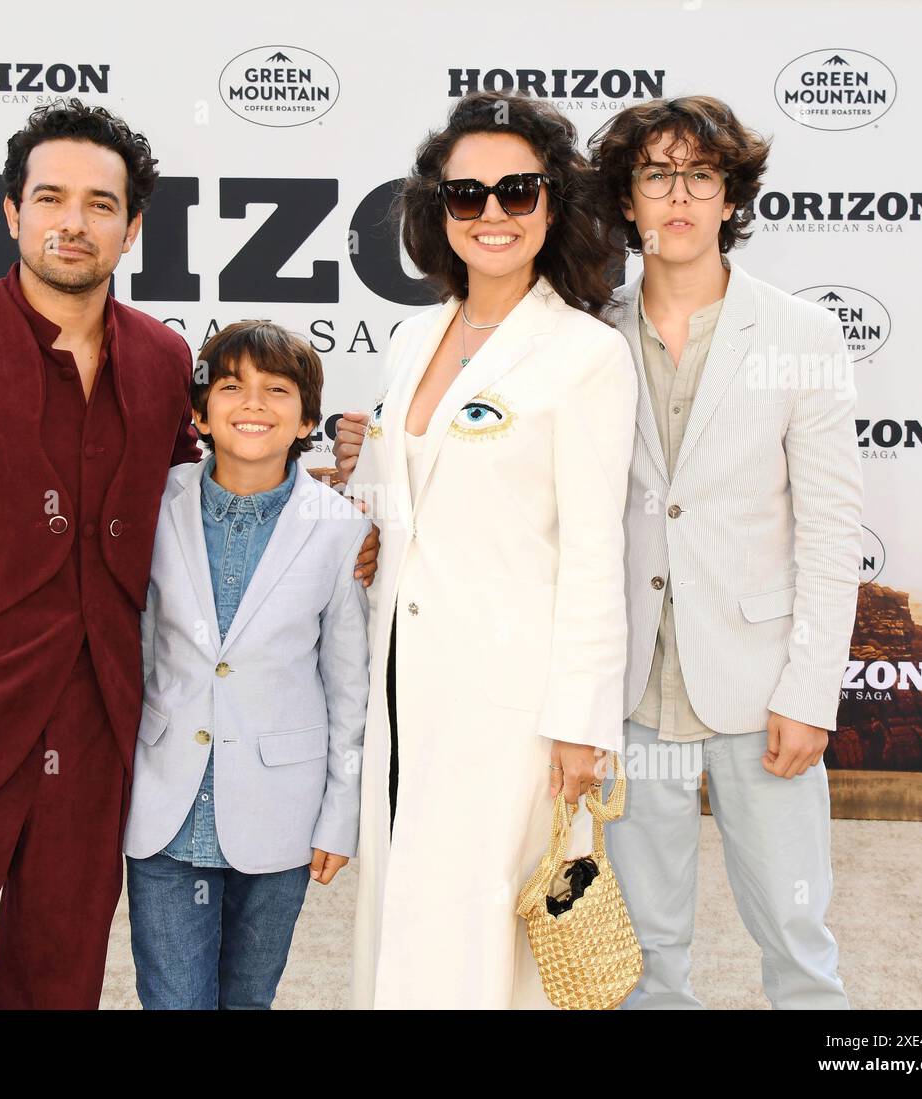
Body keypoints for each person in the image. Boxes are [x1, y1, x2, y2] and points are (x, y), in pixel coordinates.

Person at [0, 98, 377, 1009]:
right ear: (12, 212)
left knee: (59, 974)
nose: (74, 221)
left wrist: (350, 517)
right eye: (51, 197)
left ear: (132, 227)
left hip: (102, 727)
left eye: (100, 204)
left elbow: (214, 494)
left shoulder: (158, 358)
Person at [337, 90, 637, 1009]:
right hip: (404, 680)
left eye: (518, 190)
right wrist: (368, 472)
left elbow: (595, 548)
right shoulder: (410, 336)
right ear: (439, 211)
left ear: (553, 203)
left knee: (483, 926)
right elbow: (407, 507)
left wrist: (582, 722)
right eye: (467, 196)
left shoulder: (585, 354)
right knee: (410, 907)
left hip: (514, 701)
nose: (494, 213)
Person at [586, 95, 863, 1008]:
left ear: (730, 196)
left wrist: (809, 692)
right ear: (627, 199)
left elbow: (829, 532)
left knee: (795, 936)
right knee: (647, 952)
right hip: (630, 688)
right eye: (656, 174)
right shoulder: (585, 337)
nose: (678, 195)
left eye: (700, 175)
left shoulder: (801, 336)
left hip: (760, 686)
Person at [123, 321, 371, 1010]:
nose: (252, 403)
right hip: (165, 813)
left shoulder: (341, 527)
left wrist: (338, 815)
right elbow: (136, 653)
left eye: (277, 390)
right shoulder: (154, 503)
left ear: (307, 419)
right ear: (199, 412)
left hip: (280, 814)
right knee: (174, 1000)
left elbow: (348, 690)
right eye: (230, 386)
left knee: (248, 999)